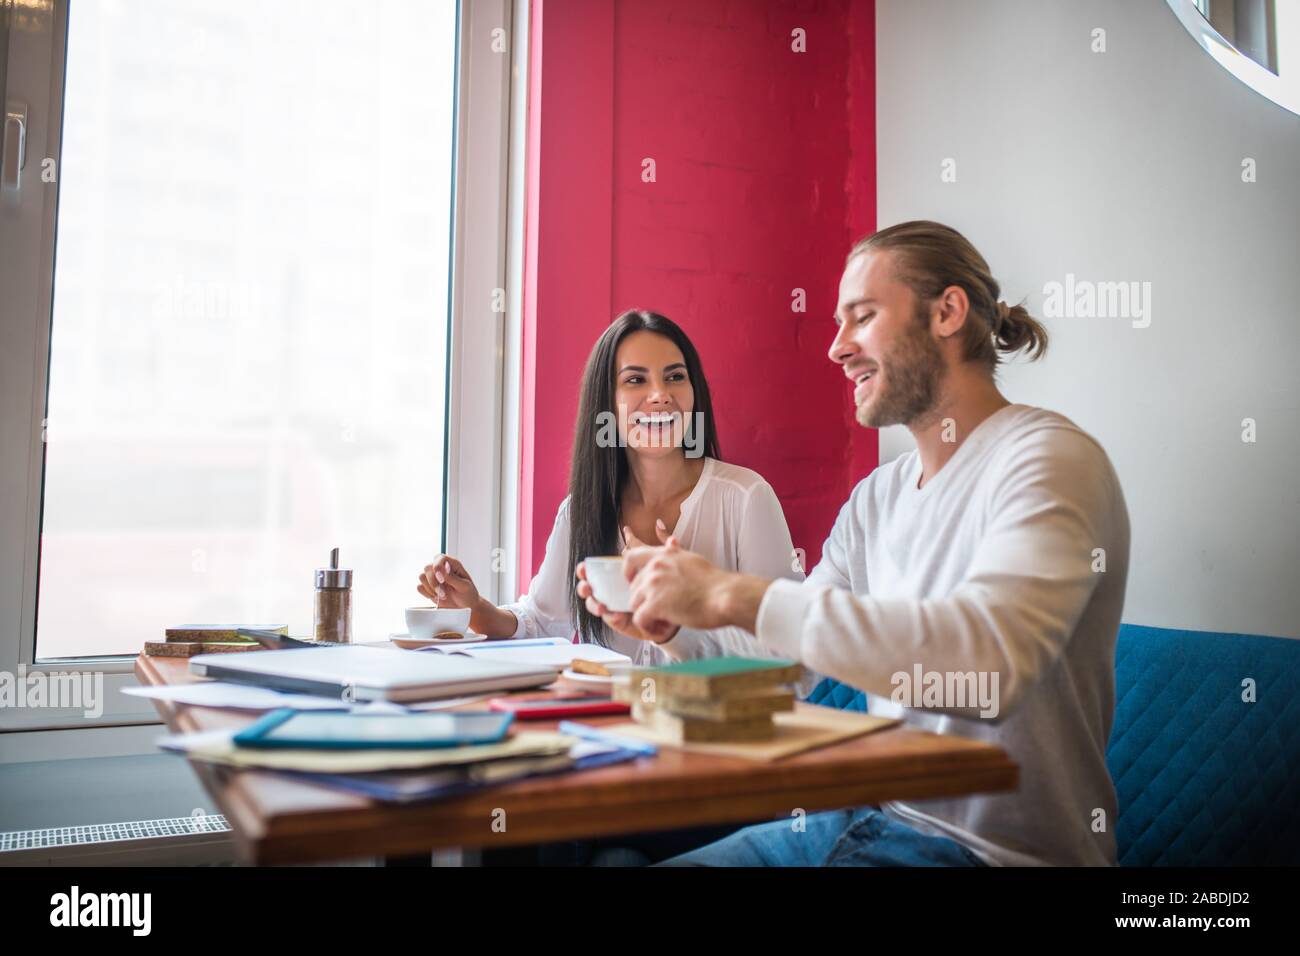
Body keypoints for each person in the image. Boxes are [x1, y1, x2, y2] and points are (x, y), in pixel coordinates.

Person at [582, 222, 1131, 866]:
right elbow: (786, 671)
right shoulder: (878, 497)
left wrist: (730, 590)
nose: (837, 348)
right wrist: (675, 626)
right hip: (865, 818)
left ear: (947, 312)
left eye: (862, 317)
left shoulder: (1049, 459)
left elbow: (989, 665)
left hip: (990, 856)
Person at [418, 309, 803, 669]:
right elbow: (540, 622)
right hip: (607, 726)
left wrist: (694, 600)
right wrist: (475, 608)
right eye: (636, 380)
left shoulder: (746, 498)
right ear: (606, 403)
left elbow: (790, 640)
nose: (660, 395)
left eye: (675, 376)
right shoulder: (580, 512)